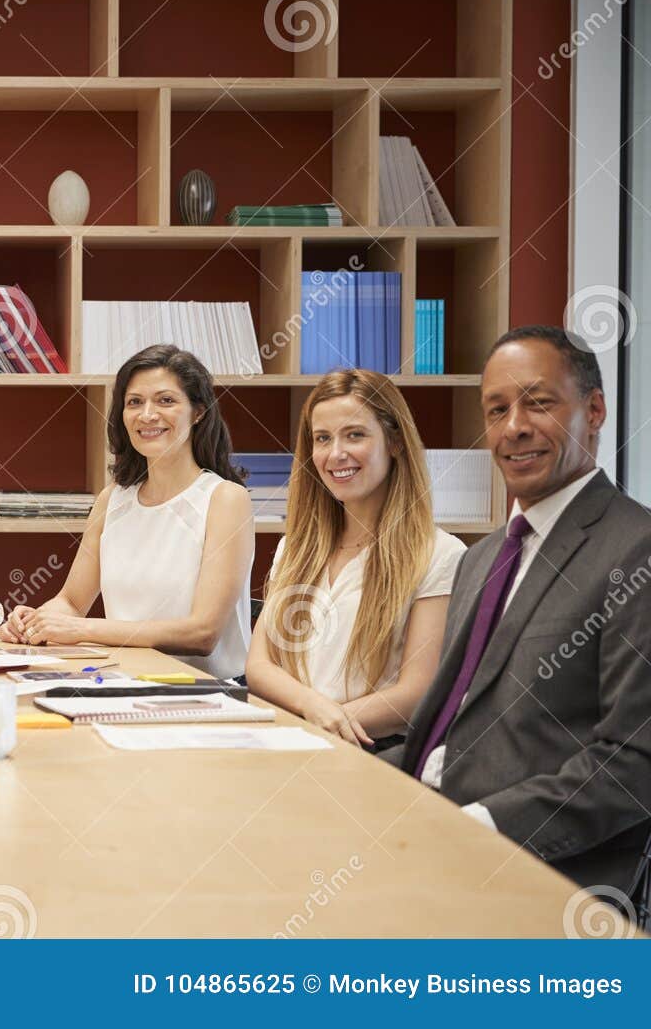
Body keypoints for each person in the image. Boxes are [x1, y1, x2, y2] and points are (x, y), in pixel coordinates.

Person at [397, 326, 651, 893]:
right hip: (423, 831)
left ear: (595, 409)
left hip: (540, 872)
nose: (514, 427)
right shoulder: (480, 559)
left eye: (538, 402)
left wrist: (478, 828)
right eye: (497, 409)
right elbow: (453, 726)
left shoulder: (637, 552)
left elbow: (634, 765)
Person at [0, 345, 253, 678]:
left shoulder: (225, 499)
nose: (147, 415)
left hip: (202, 692)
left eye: (166, 400)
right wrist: (33, 624)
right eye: (134, 402)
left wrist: (82, 630)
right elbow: (72, 603)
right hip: (120, 682)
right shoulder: (113, 499)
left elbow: (202, 634)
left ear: (198, 412)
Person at [246, 370, 465, 749]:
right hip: (290, 736)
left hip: (370, 750)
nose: (336, 454)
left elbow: (415, 694)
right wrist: (310, 709)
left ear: (395, 441)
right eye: (323, 439)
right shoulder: (294, 549)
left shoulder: (441, 555)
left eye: (355, 435)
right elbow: (259, 666)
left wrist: (324, 724)